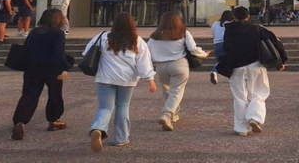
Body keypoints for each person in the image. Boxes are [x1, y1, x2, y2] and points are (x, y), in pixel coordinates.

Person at [83, 12, 157, 152]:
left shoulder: (103, 37)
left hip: (104, 78)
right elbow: (143, 62)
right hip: (127, 79)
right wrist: (150, 79)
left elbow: (86, 52)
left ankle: (98, 129)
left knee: (105, 107)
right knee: (123, 106)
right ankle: (121, 138)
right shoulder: (137, 40)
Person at [217, 7, 287, 136]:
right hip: (256, 66)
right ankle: (254, 118)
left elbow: (226, 49)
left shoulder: (228, 31)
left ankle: (241, 128)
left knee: (239, 97)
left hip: (236, 67)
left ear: (234, 17)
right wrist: (281, 61)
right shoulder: (257, 28)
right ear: (248, 16)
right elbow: (275, 42)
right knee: (259, 93)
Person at [11, 9, 73, 140]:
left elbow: (26, 49)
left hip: (32, 68)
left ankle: (20, 121)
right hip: (52, 69)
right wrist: (65, 67)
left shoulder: (34, 32)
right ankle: (53, 120)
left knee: (29, 95)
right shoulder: (58, 34)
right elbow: (58, 54)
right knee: (54, 94)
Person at [147, 11, 209, 131]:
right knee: (177, 91)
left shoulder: (154, 35)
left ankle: (173, 115)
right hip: (179, 64)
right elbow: (193, 49)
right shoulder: (183, 32)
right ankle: (167, 114)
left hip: (161, 66)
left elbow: (147, 53)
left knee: (167, 90)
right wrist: (203, 54)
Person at [209, 10, 234, 84]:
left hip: (217, 44)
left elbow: (213, 34)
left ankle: (214, 72)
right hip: (227, 44)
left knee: (218, 60)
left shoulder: (215, 24)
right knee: (231, 61)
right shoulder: (231, 24)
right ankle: (230, 77)